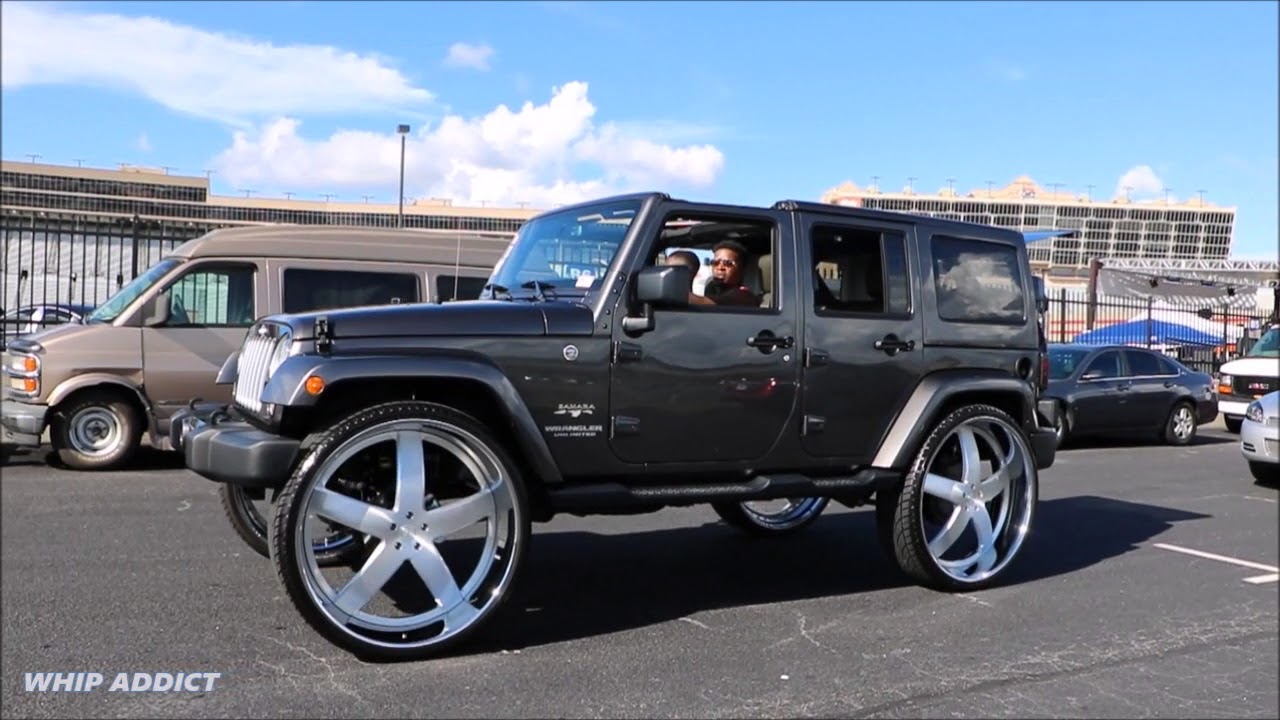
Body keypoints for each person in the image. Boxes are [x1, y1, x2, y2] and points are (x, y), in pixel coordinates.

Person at [692, 240, 759, 307]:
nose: (720, 267)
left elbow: (705, 302)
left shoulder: (744, 295)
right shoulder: (711, 288)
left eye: (728, 263)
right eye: (715, 263)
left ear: (742, 269)